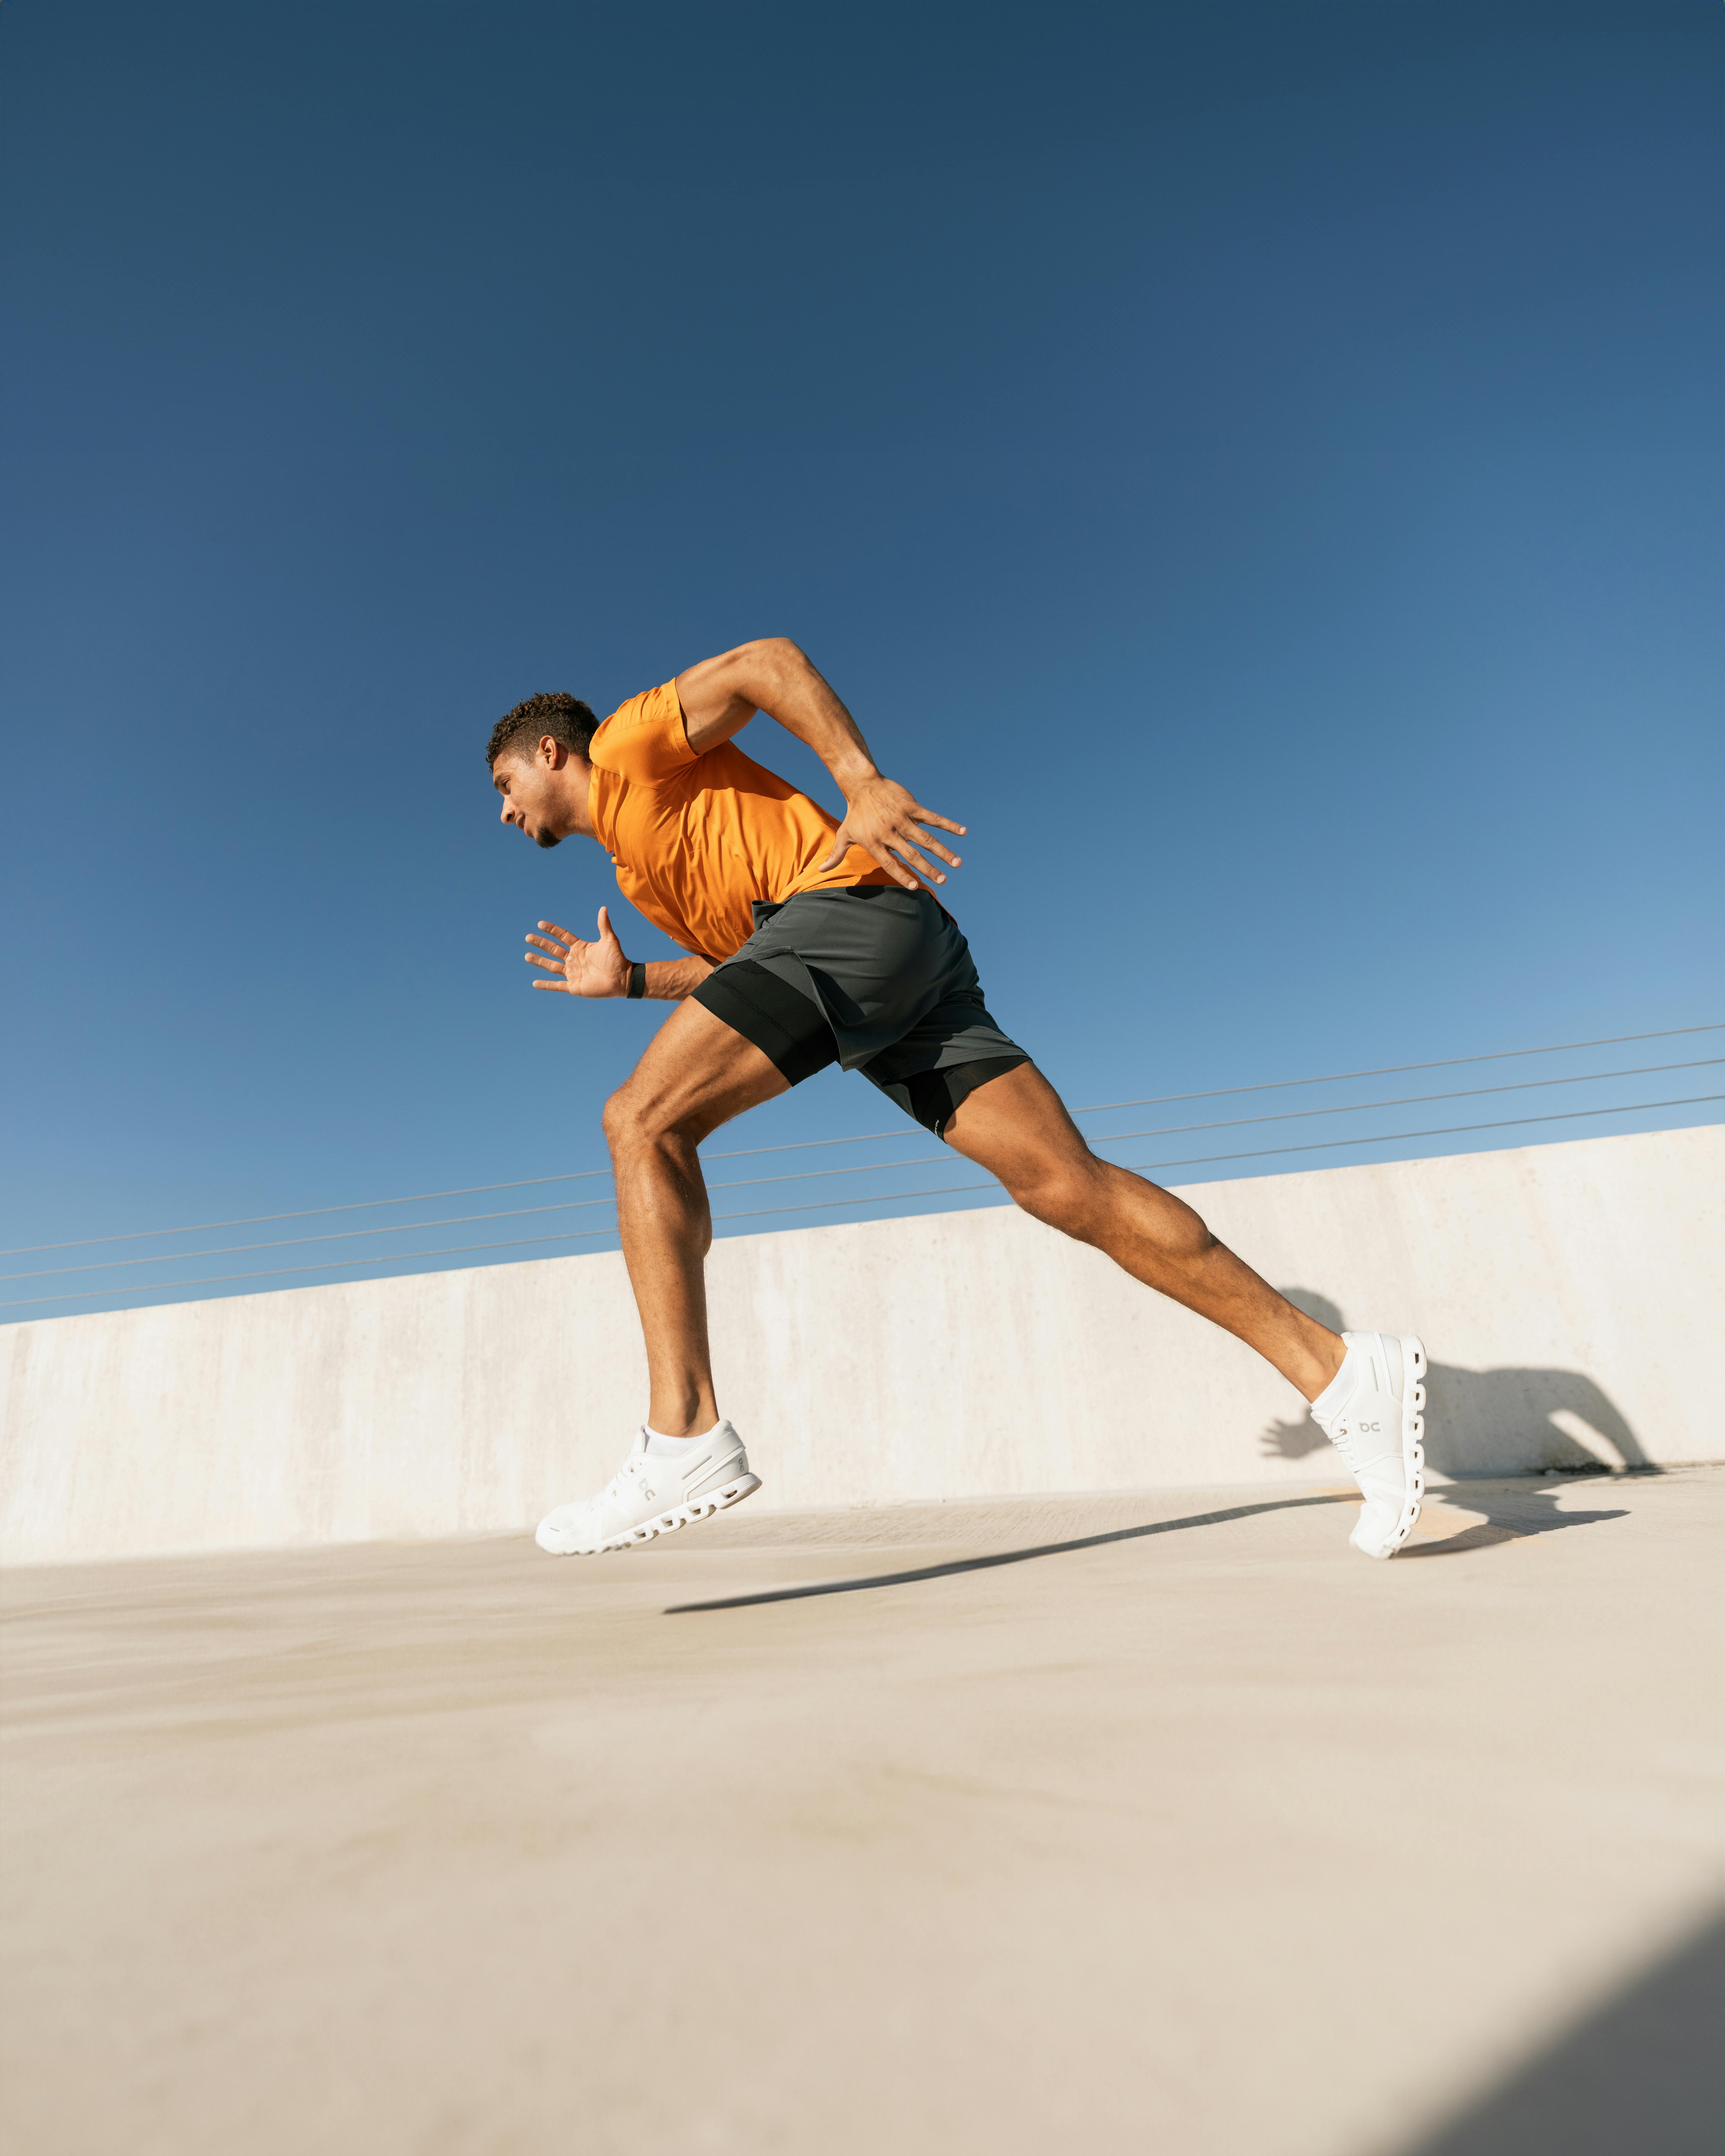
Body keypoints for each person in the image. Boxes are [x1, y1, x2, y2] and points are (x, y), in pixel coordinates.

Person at [486, 639, 1427, 1562]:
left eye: (503, 787)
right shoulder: (635, 869)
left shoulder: (627, 748)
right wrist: (637, 980)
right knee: (1066, 1187)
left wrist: (860, 783)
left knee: (641, 1121)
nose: (503, 812)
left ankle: (683, 1430)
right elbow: (749, 976)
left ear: (551, 753)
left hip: (850, 912)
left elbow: (764, 663)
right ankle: (1339, 1372)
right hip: (883, 959)